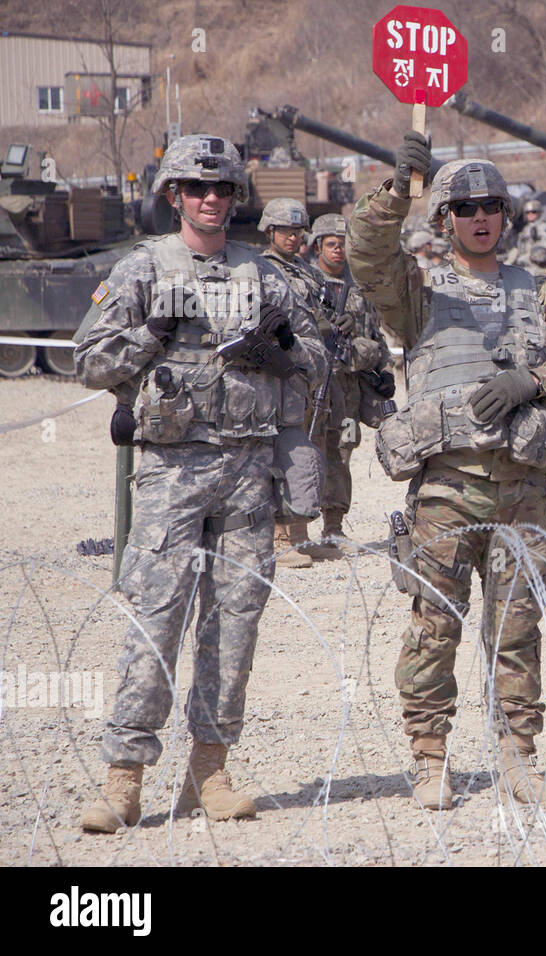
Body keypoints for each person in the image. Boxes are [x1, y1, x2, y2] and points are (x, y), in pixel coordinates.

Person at [74, 135, 327, 832]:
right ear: (174, 196)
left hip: (248, 475)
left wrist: (279, 354)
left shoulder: (267, 274)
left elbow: (315, 360)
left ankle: (209, 770)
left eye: (220, 190)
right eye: (195, 188)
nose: (209, 199)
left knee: (234, 626)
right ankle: (124, 778)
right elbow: (91, 361)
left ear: (235, 199)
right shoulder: (143, 269)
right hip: (171, 473)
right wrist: (152, 331)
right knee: (154, 620)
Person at [347, 133, 546, 810]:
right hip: (447, 492)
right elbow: (366, 252)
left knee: (517, 631)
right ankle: (429, 761)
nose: (480, 217)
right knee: (435, 627)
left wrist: (532, 380)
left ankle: (519, 757)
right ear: (445, 220)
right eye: (465, 208)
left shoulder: (539, 292)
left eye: (492, 205)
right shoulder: (418, 294)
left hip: (521, 487)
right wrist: (396, 190)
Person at [304, 213, 394, 557]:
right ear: (317, 247)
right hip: (314, 387)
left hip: (349, 389)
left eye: (343, 243)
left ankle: (333, 527)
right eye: (331, 244)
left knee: (341, 455)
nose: (338, 250)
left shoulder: (358, 289)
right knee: (307, 454)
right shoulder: (306, 285)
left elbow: (376, 335)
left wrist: (384, 370)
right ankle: (295, 530)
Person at [258, 197, 327, 569]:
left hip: (307, 371)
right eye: (286, 230)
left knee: (306, 453)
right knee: (280, 454)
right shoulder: (264, 270)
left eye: (298, 231)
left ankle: (300, 534)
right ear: (270, 232)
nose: (293, 237)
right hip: (280, 373)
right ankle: (279, 539)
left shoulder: (305, 270)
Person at [507, 197, 546, 272]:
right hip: (523, 263)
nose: (530, 214)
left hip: (536, 265)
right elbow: (518, 247)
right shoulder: (526, 228)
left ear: (539, 212)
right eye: (528, 212)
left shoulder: (543, 227)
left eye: (533, 212)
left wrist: (531, 255)